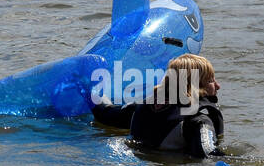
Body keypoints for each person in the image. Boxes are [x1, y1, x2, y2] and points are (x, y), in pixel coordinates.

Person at [90, 53, 224, 157]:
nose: (218, 85)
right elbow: (209, 156)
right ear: (195, 86)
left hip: (135, 162)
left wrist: (91, 88)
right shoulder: (199, 121)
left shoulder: (143, 107)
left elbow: (105, 114)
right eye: (211, 80)